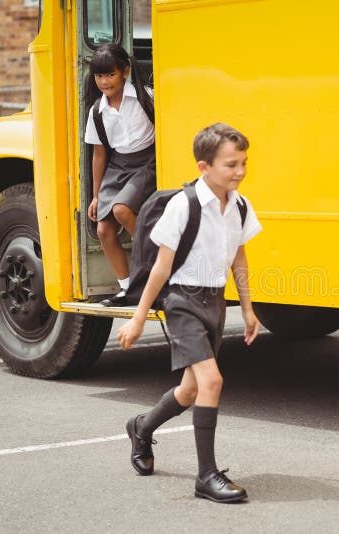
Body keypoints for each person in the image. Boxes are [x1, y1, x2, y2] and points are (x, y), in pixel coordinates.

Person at [117, 123, 262, 503]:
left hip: (215, 302)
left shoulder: (240, 205)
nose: (240, 171)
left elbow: (240, 259)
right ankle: (206, 476)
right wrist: (138, 317)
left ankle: (141, 427)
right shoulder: (184, 206)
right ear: (204, 166)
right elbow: (160, 268)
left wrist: (248, 309)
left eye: (243, 163)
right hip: (183, 303)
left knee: (191, 389)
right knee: (212, 381)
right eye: (231, 164)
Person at [84, 44, 157, 306]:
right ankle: (128, 289)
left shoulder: (145, 97)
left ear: (125, 72)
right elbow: (99, 154)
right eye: (99, 76)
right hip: (119, 166)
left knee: (121, 210)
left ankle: (160, 258)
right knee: (103, 229)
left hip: (148, 162)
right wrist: (96, 196)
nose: (104, 81)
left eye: (110, 75)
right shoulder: (97, 111)